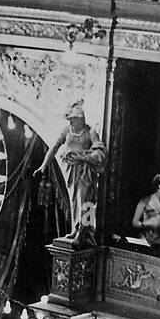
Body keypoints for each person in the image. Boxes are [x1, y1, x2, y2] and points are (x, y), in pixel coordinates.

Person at [36, 101, 105, 245]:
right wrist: (44, 165)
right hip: (70, 171)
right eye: (75, 118)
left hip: (85, 172)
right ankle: (76, 228)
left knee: (85, 202)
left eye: (80, 118)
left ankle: (83, 233)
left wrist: (83, 156)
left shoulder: (90, 132)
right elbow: (54, 147)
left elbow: (100, 151)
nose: (79, 120)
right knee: (74, 201)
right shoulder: (67, 131)